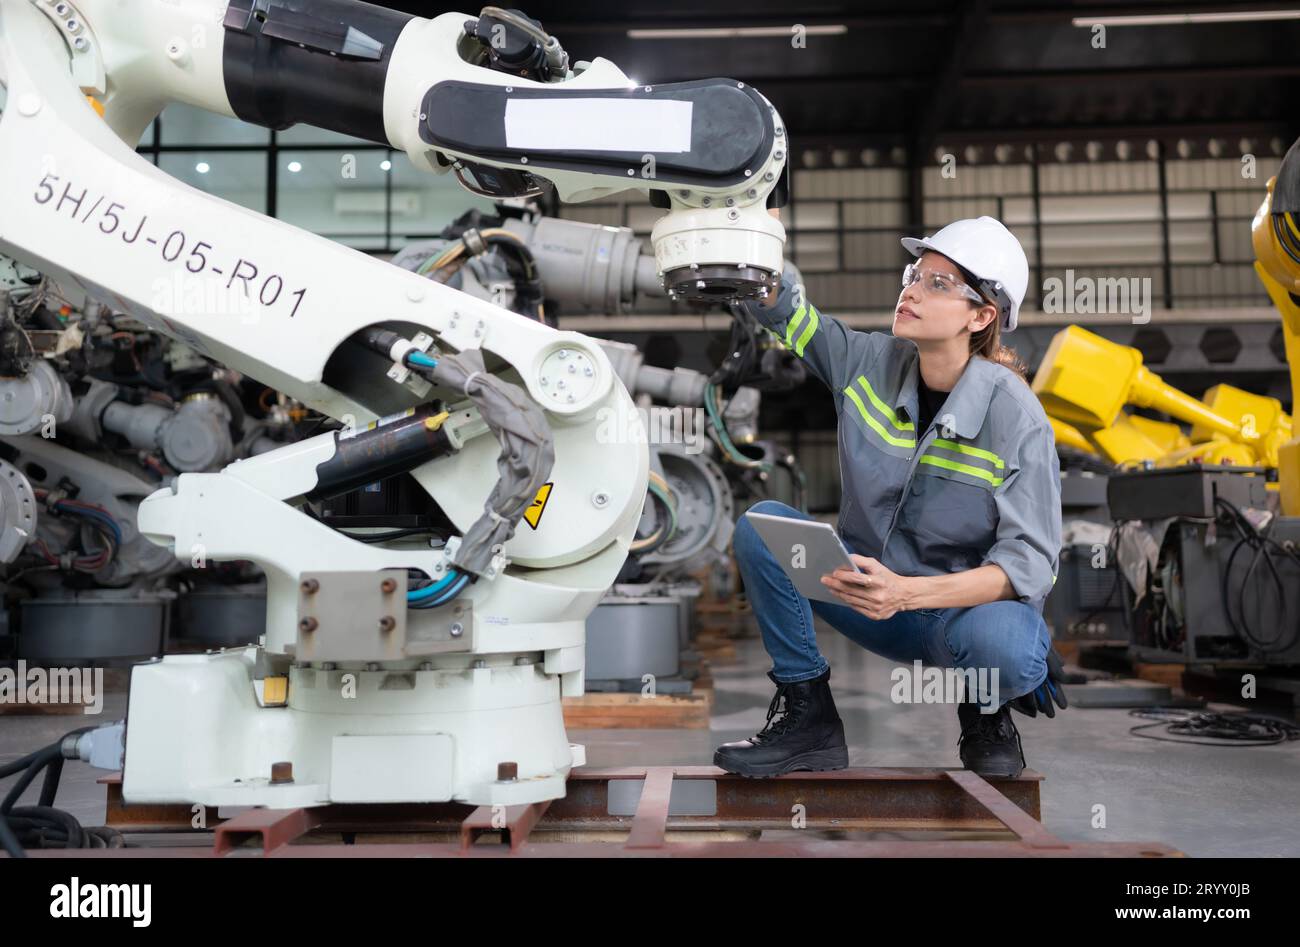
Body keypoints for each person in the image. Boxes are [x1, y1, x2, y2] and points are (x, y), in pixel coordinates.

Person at [714, 215, 1068, 779]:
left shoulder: (1016, 415)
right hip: (861, 595)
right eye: (915, 275)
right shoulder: (867, 363)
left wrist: (909, 593)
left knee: (1008, 642)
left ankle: (986, 711)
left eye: (939, 284)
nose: (911, 291)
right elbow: (787, 312)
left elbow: (1027, 564)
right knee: (761, 526)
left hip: (953, 618)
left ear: (982, 316)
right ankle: (809, 717)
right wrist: (754, 232)